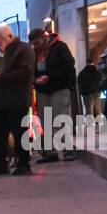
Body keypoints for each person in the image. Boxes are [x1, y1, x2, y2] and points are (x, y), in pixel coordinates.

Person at [0, 23, 35, 177]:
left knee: (19, 133)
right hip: (0, 102)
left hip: (17, 99)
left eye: (0, 39)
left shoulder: (24, 49)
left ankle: (23, 164)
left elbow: (25, 72)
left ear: (10, 36)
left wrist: (1, 77)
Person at [29, 27, 77, 162]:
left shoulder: (59, 47)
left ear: (44, 37)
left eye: (36, 43)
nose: (35, 46)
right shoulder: (35, 52)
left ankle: (67, 149)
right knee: (46, 120)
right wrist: (34, 78)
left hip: (59, 87)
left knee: (60, 117)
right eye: (33, 44)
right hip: (42, 89)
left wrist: (49, 76)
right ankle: (50, 152)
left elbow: (69, 65)